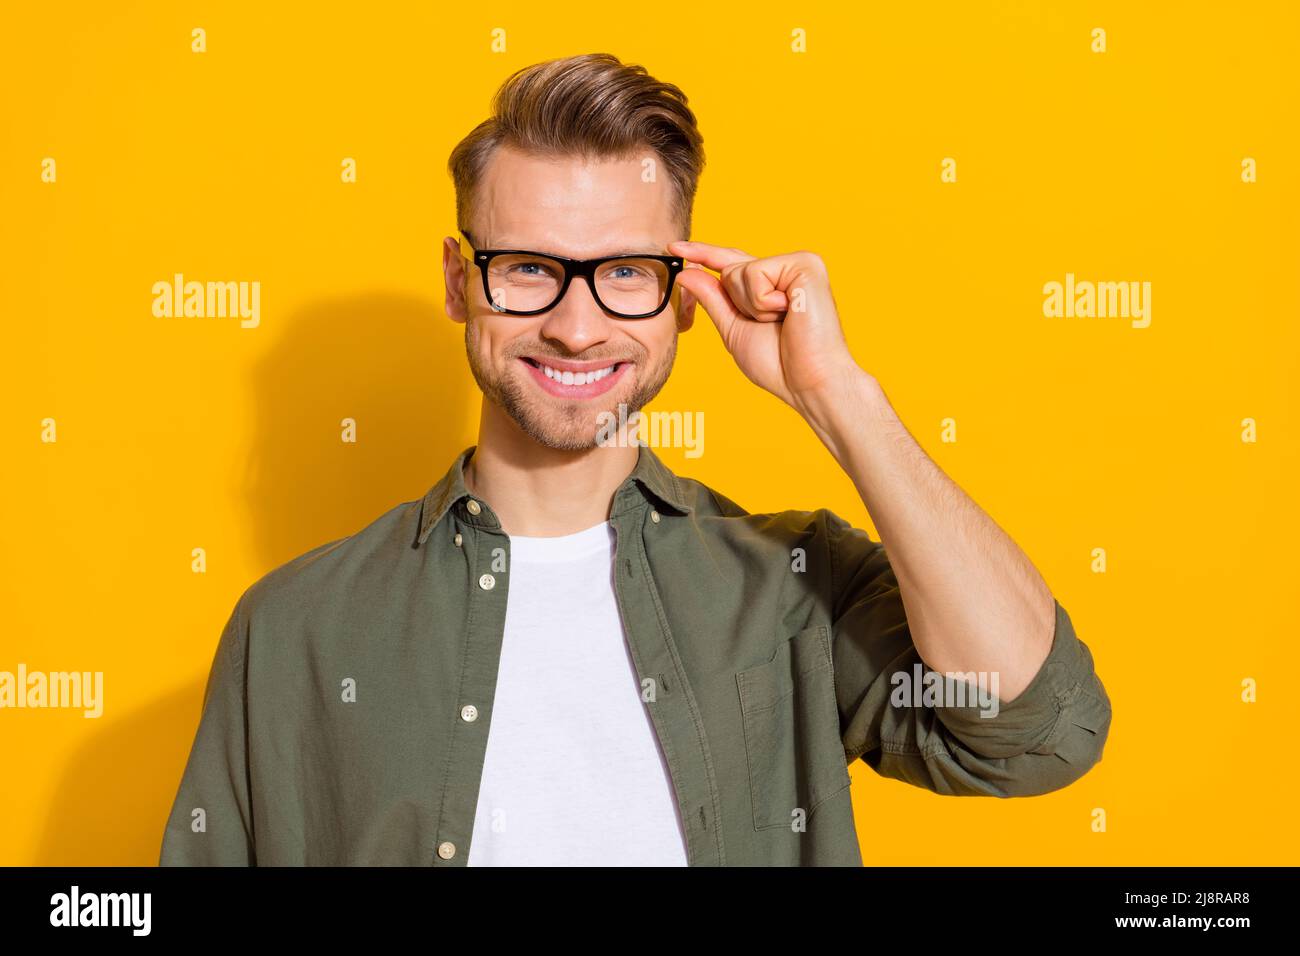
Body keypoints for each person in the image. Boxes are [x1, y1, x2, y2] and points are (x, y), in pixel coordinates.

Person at [160, 52, 1111, 867]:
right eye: (528, 267)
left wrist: (839, 398)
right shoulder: (292, 632)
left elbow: (1033, 730)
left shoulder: (793, 585)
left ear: (685, 296)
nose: (577, 330)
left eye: (624, 274)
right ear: (460, 281)